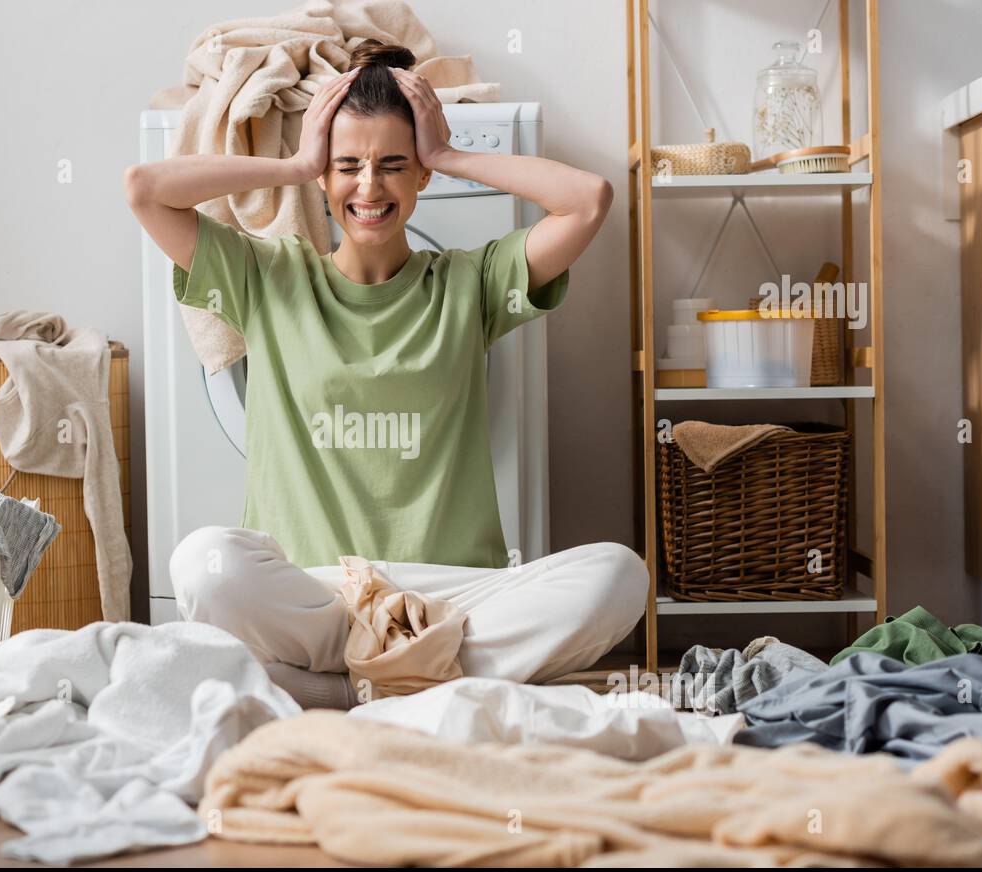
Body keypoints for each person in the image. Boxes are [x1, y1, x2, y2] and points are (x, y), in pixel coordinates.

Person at [125, 40, 648, 709]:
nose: (369, 186)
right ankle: (417, 677)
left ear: (421, 176)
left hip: (448, 591)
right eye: (347, 166)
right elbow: (144, 191)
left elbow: (590, 200)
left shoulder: (470, 283)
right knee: (202, 562)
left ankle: (332, 686)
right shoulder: (270, 278)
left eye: (393, 165)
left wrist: (451, 154)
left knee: (619, 575)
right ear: (324, 176)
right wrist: (294, 162)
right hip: (317, 590)